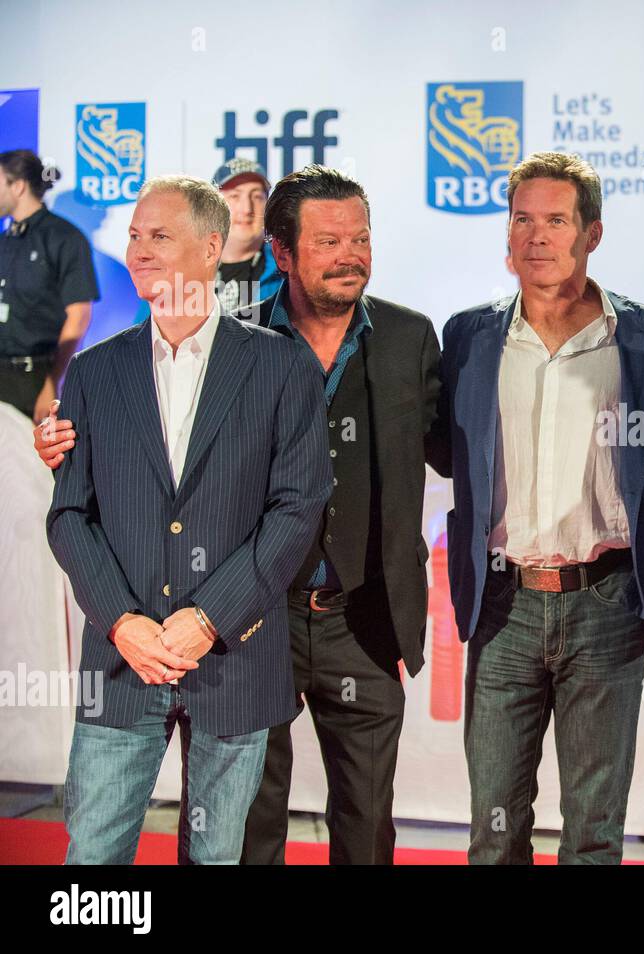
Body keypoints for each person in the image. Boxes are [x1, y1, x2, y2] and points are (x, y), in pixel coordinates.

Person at [37, 165, 446, 866]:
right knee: (159, 849)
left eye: (361, 238)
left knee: (324, 834)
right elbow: (81, 510)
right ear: (282, 253)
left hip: (315, 630)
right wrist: (129, 618)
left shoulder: (365, 347)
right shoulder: (137, 363)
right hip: (193, 637)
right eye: (328, 240)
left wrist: (206, 618)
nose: (350, 254)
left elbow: (323, 497)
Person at [46, 175, 331, 864]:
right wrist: (122, 621)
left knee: (216, 857)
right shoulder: (92, 372)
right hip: (122, 662)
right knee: (92, 859)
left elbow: (297, 510)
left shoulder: (281, 366)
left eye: (159, 236)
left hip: (234, 659)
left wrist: (209, 617)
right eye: (135, 235)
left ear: (211, 247)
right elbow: (69, 517)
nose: (139, 250)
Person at [438, 151, 644, 864]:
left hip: (607, 599)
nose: (536, 237)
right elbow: (446, 451)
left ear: (592, 233)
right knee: (493, 831)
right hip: (501, 605)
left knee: (594, 834)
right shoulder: (468, 337)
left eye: (557, 221)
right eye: (522, 220)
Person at [0, 149, 98, 421]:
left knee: (36, 463)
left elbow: (79, 316)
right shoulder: (4, 239)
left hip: (35, 381)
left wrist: (53, 381)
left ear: (18, 186)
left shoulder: (65, 238)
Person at [131, 159, 283, 324]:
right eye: (235, 196)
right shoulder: (178, 266)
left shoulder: (286, 270)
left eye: (257, 196)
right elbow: (143, 336)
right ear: (214, 207)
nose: (247, 208)